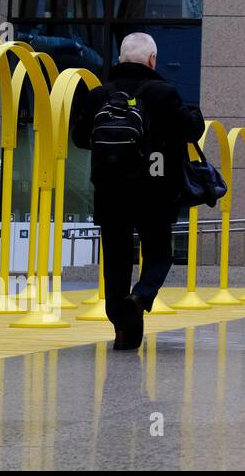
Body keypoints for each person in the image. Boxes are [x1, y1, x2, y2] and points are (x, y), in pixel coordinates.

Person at [70, 32, 205, 351]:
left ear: (120, 59)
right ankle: (141, 296)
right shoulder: (165, 94)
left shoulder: (98, 95)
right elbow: (191, 130)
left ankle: (122, 332)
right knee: (159, 253)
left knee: (116, 263)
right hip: (155, 192)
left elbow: (78, 138)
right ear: (152, 60)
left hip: (110, 192)